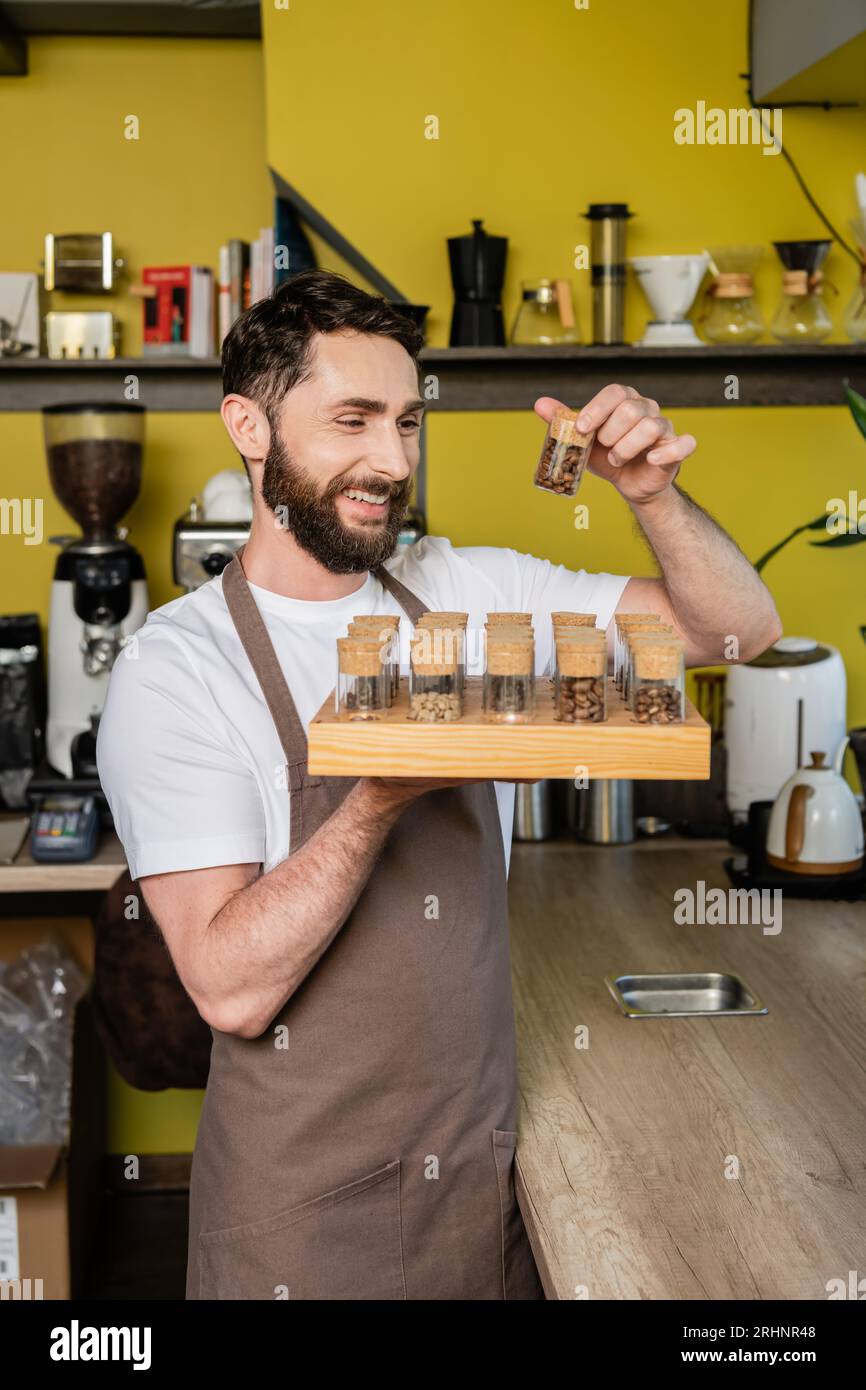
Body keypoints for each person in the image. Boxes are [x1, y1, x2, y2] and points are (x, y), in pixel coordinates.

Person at [97, 270, 781, 1301]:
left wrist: (650, 495)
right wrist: (376, 794)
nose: (390, 459)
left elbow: (733, 631)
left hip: (481, 1187)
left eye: (409, 421)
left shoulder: (468, 594)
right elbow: (230, 989)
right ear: (248, 425)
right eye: (353, 420)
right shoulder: (178, 667)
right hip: (303, 1227)